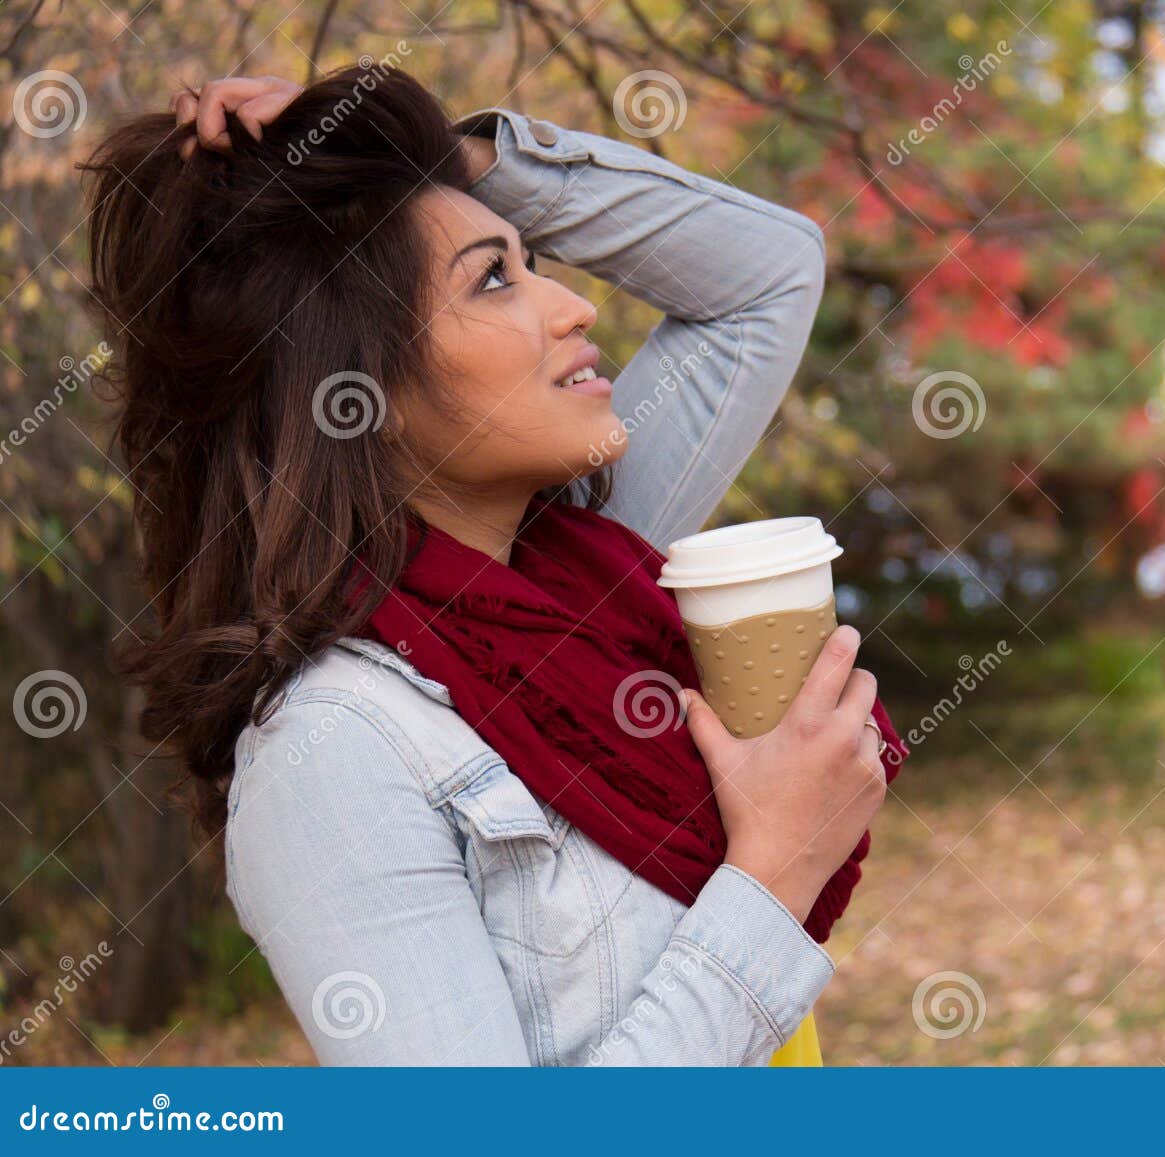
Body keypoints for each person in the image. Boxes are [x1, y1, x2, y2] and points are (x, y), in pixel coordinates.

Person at [82, 63, 904, 1065]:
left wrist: (442, 161)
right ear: (357, 385)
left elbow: (768, 270)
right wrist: (776, 870)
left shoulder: (585, 576)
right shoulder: (330, 752)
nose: (574, 305)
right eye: (495, 279)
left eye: (531, 261)